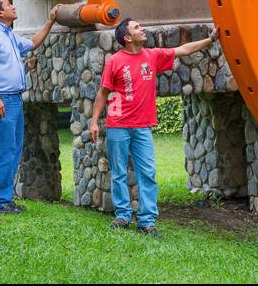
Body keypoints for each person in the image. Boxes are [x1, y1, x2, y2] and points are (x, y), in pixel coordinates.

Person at [89, 19, 217, 236]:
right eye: (137, 28)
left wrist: (211, 39)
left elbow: (183, 50)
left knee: (147, 173)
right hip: (118, 125)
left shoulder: (152, 55)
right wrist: (94, 121)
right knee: (119, 172)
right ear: (128, 38)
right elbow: (103, 93)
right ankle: (122, 215)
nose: (142, 29)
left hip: (142, 127)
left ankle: (147, 221)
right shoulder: (115, 61)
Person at [0, 0, 60, 213]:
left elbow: (33, 43)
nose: (13, 6)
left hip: (13, 98)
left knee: (12, 148)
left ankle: (5, 198)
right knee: (3, 149)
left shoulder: (8, 34)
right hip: (1, 98)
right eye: (8, 4)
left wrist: (50, 21)